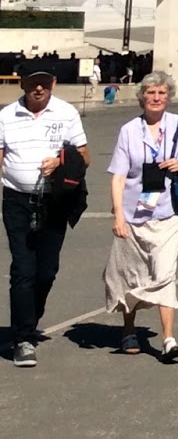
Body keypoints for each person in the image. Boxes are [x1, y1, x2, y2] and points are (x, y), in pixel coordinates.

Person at [104, 71, 178, 361]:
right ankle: (129, 329)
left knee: (165, 273)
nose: (156, 98)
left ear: (168, 97)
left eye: (161, 93)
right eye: (151, 93)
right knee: (130, 275)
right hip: (133, 214)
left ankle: (169, 338)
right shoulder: (129, 130)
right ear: (142, 97)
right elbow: (118, 176)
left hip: (168, 213)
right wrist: (118, 215)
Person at [1, 68, 91, 367]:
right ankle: (23, 338)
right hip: (17, 201)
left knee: (46, 271)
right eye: (32, 83)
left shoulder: (66, 113)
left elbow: (85, 156)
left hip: (54, 202)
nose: (38, 89)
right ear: (22, 84)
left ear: (52, 83)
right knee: (23, 269)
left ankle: (29, 317)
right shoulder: (6, 116)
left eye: (43, 83)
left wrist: (60, 162)